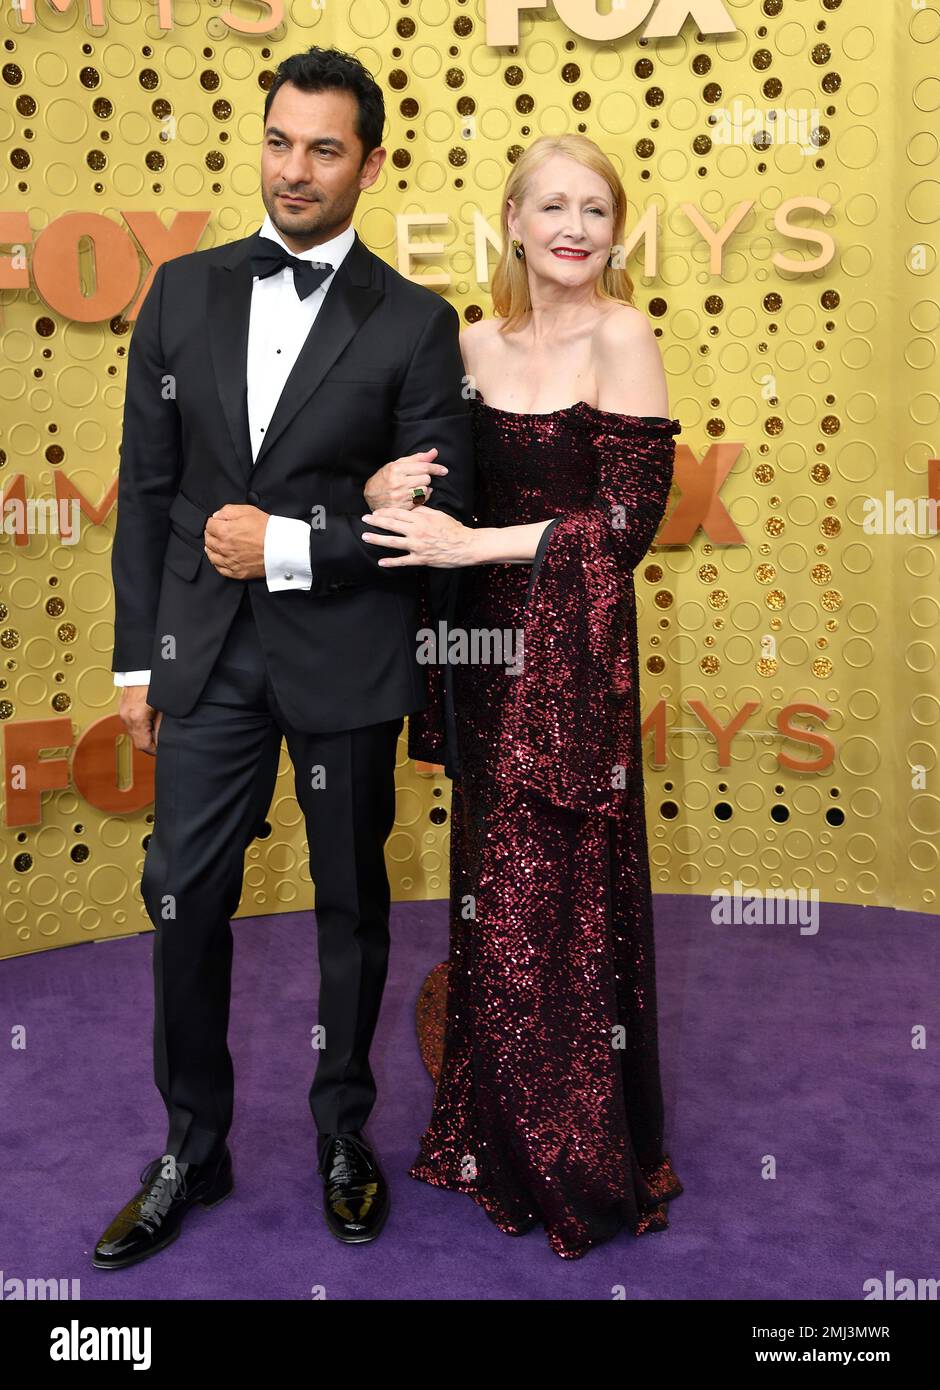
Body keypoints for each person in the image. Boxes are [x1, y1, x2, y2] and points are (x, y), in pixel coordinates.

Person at [94, 46, 473, 1269]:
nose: (294, 169)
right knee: (183, 897)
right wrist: (138, 668)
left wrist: (294, 541)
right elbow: (149, 494)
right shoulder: (183, 290)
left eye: (323, 148)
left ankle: (342, 1134)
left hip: (345, 659)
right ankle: (189, 1149)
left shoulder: (416, 324)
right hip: (203, 658)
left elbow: (429, 518)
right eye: (279, 141)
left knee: (350, 909)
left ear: (369, 160)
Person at [361, 134, 684, 1260]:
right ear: (512, 219)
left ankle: (580, 1146)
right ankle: (490, 1126)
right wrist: (391, 484)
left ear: (615, 229)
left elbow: (624, 524)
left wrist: (471, 542)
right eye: (554, 204)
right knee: (492, 886)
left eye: (596, 209)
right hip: (479, 650)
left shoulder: (622, 333)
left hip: (574, 649)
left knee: (567, 880)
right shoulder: (466, 341)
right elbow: (423, 475)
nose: (575, 226)